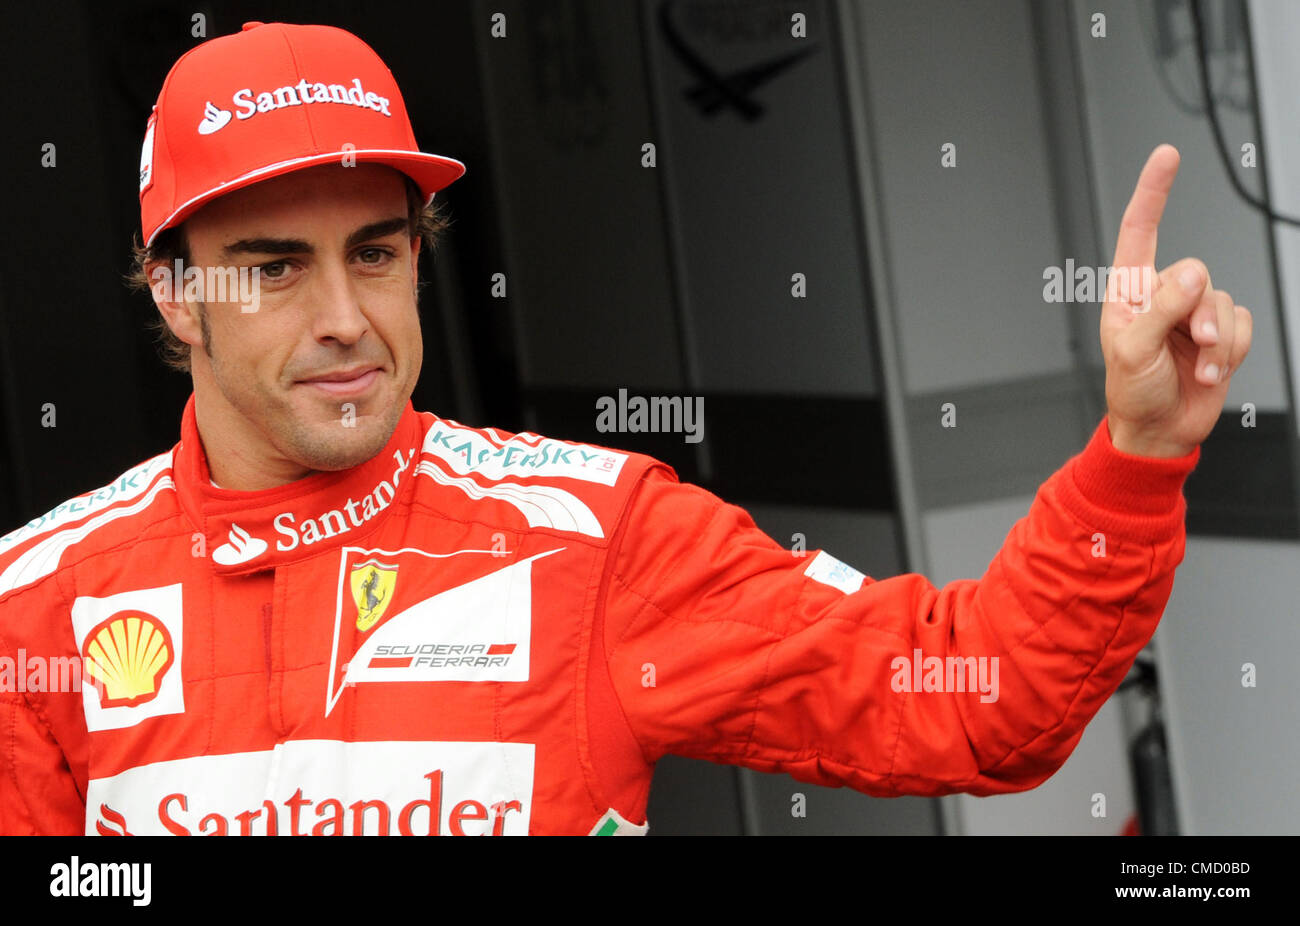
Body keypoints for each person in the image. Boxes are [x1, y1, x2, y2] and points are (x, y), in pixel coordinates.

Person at [0, 21, 1252, 836]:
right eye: (274, 268)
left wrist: (1135, 459)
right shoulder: (35, 605)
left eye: (376, 253)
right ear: (176, 291)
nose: (347, 318)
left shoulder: (592, 537)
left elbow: (975, 698)